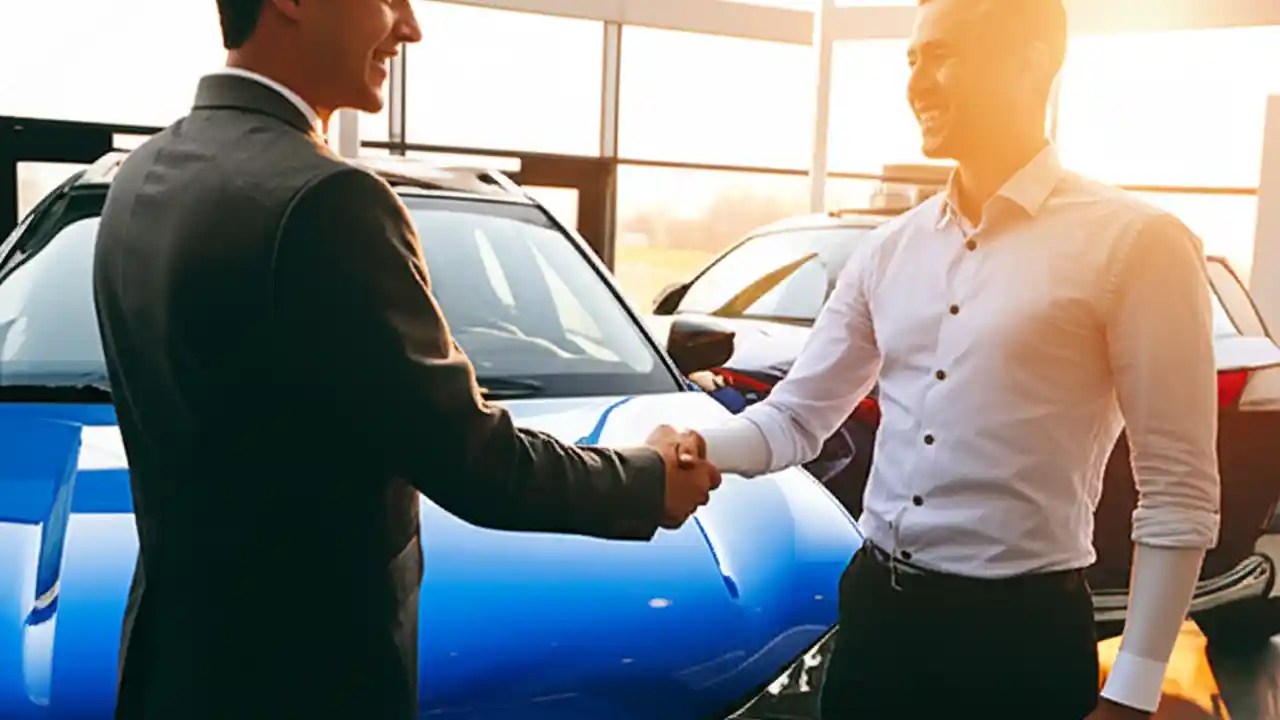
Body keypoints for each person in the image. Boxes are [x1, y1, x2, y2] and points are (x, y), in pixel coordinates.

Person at [92, 1, 719, 718]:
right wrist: (647, 480)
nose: (409, 27)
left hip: (171, 670)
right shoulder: (327, 198)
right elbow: (475, 461)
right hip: (305, 679)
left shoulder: (141, 176)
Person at [682, 0, 1220, 718]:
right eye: (912, 59)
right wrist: (689, 446)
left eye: (943, 55)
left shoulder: (1137, 246)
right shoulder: (890, 250)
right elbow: (794, 422)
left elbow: (1179, 488)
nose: (919, 81)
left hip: (1016, 641)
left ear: (1033, 58)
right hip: (878, 617)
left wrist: (1134, 690)